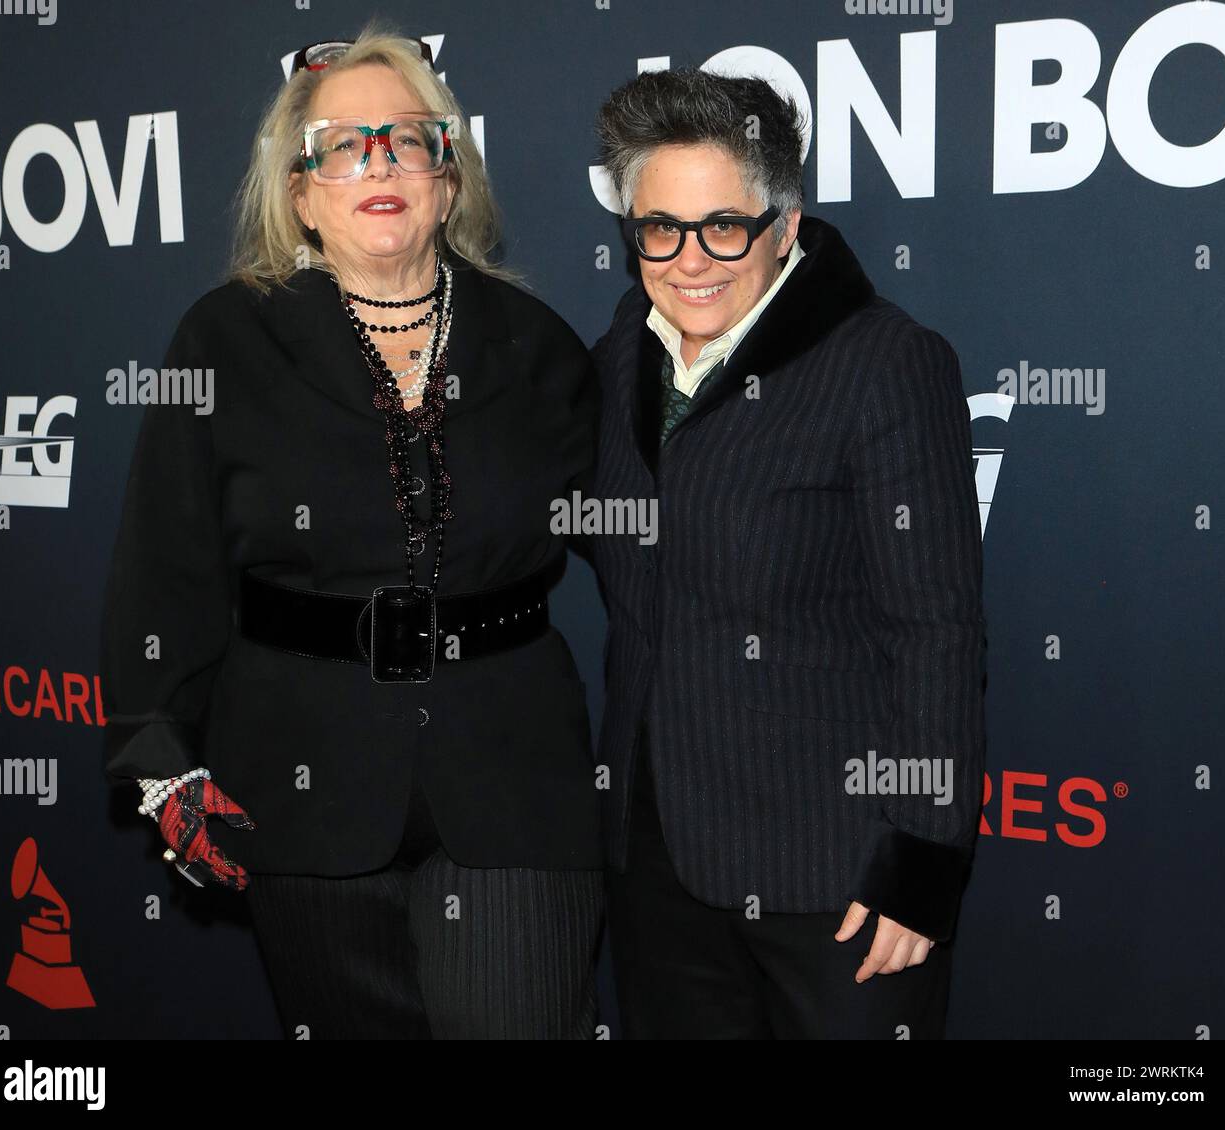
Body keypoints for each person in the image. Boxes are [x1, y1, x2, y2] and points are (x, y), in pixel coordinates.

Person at [99, 28, 603, 1040]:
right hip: (297, 782)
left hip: (513, 779)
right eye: (341, 143)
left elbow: (649, 547)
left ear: (448, 182)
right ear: (299, 193)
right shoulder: (224, 340)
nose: (377, 160)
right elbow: (164, 570)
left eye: (407, 139)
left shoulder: (536, 344)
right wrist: (163, 765)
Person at [588, 67, 987, 1039]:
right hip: (660, 865)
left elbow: (934, 627)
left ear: (785, 222)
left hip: (836, 876)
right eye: (659, 228)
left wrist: (919, 862)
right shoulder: (612, 367)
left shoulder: (883, 362)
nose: (690, 259)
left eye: (724, 225)